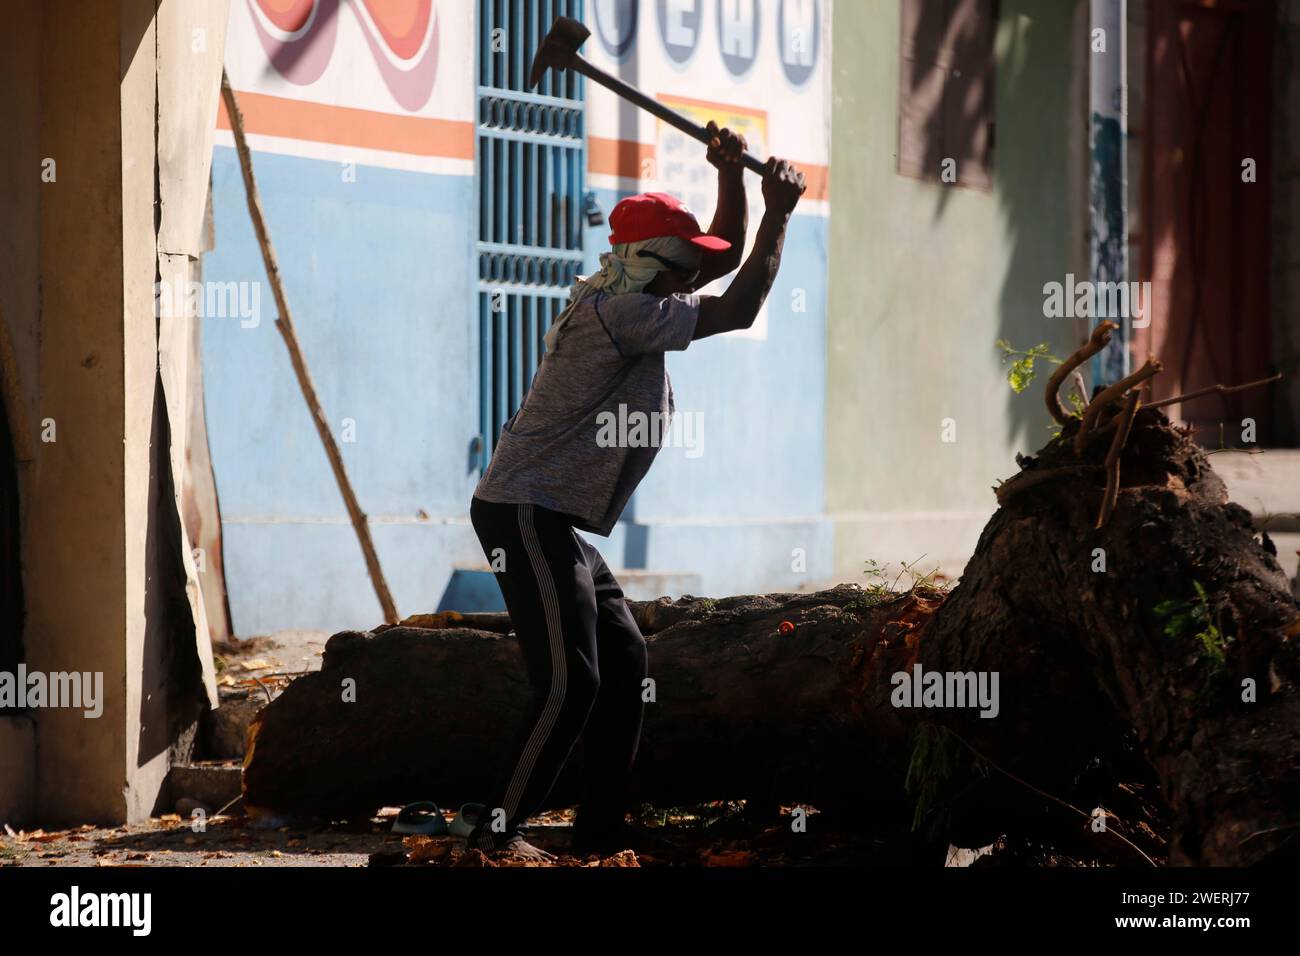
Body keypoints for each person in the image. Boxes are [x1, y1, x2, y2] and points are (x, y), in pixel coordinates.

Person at [465, 123, 806, 859]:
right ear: (659, 268)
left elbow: (716, 264)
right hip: (524, 512)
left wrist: (731, 177)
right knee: (569, 683)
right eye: (685, 272)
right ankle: (496, 837)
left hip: (554, 520)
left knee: (625, 662)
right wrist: (779, 214)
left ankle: (599, 835)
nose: (693, 283)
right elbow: (739, 305)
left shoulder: (635, 294)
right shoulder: (619, 315)